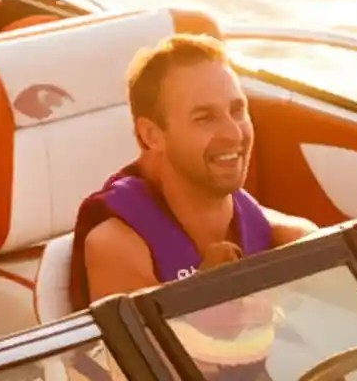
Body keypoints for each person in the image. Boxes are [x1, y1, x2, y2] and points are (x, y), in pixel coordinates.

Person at [71, 33, 319, 309]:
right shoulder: (114, 244)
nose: (234, 133)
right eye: (204, 118)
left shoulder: (287, 235)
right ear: (152, 135)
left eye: (237, 110)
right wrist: (204, 289)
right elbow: (146, 348)